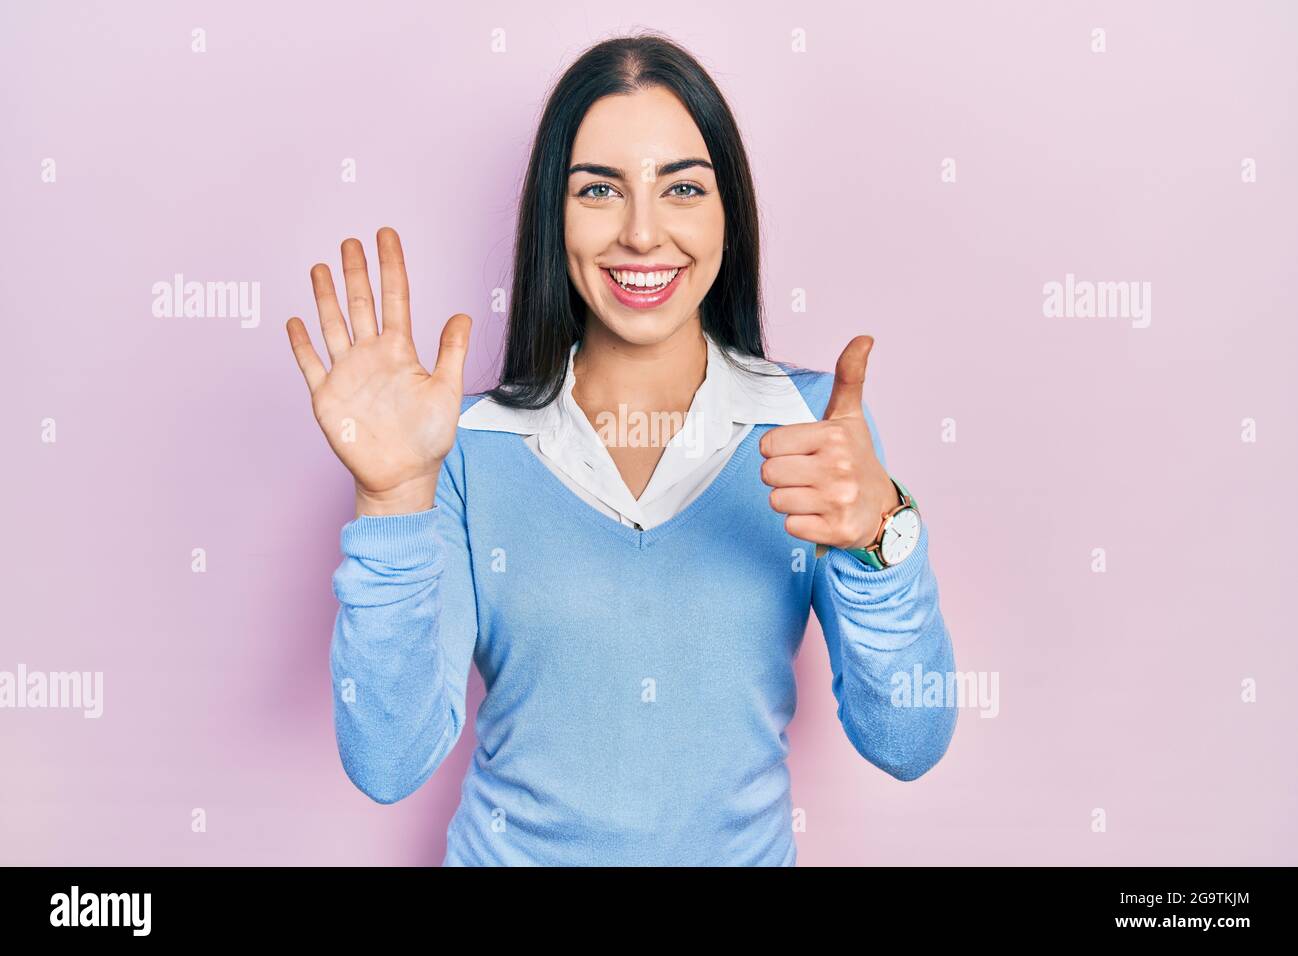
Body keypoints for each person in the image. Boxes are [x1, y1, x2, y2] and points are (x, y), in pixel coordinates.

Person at [285, 32, 956, 866]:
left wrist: (881, 540)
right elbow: (388, 762)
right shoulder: (458, 447)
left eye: (682, 188)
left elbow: (911, 740)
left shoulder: (815, 425)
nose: (643, 234)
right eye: (600, 190)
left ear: (727, 213)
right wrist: (391, 500)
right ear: (553, 216)